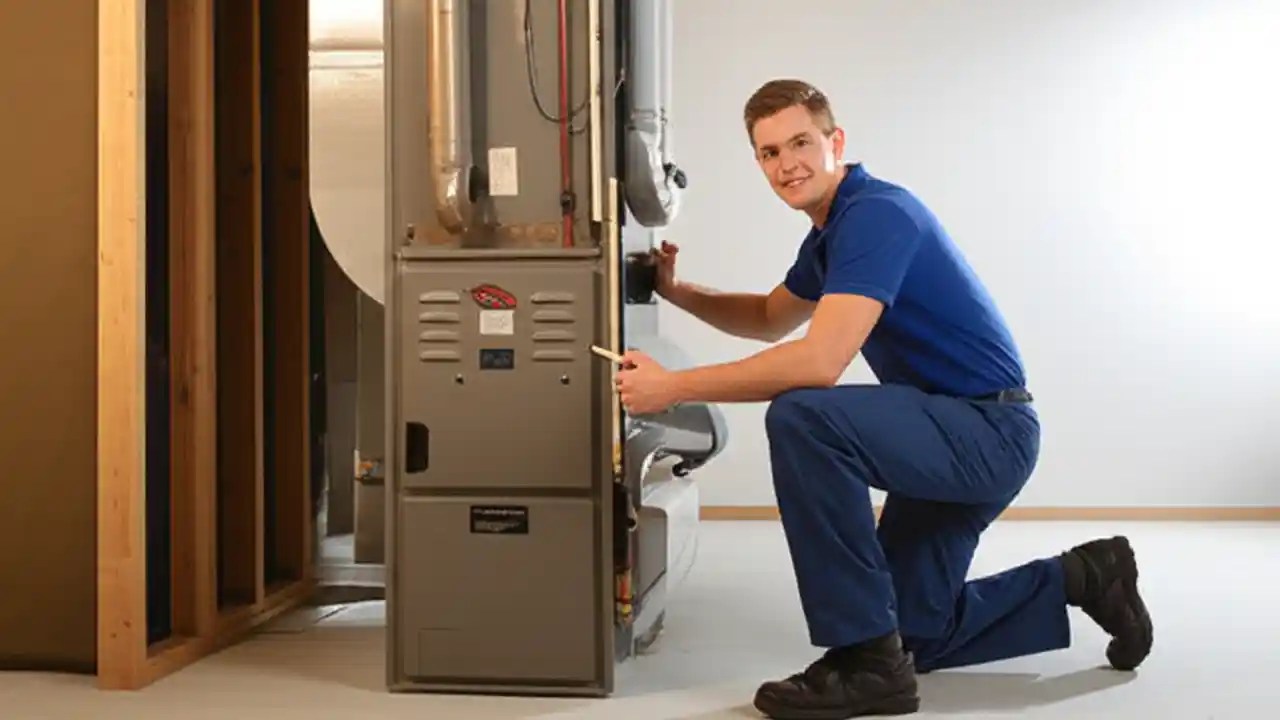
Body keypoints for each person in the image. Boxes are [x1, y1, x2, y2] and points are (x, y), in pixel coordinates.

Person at [614, 78, 1153, 719]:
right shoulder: (831, 233)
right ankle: (1088, 576)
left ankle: (864, 663)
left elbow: (819, 362)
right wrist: (678, 292)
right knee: (915, 632)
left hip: (986, 432)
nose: (787, 164)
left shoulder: (875, 214)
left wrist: (672, 388)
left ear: (835, 142)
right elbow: (766, 316)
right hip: (941, 435)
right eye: (768, 153)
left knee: (805, 417)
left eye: (801, 143)